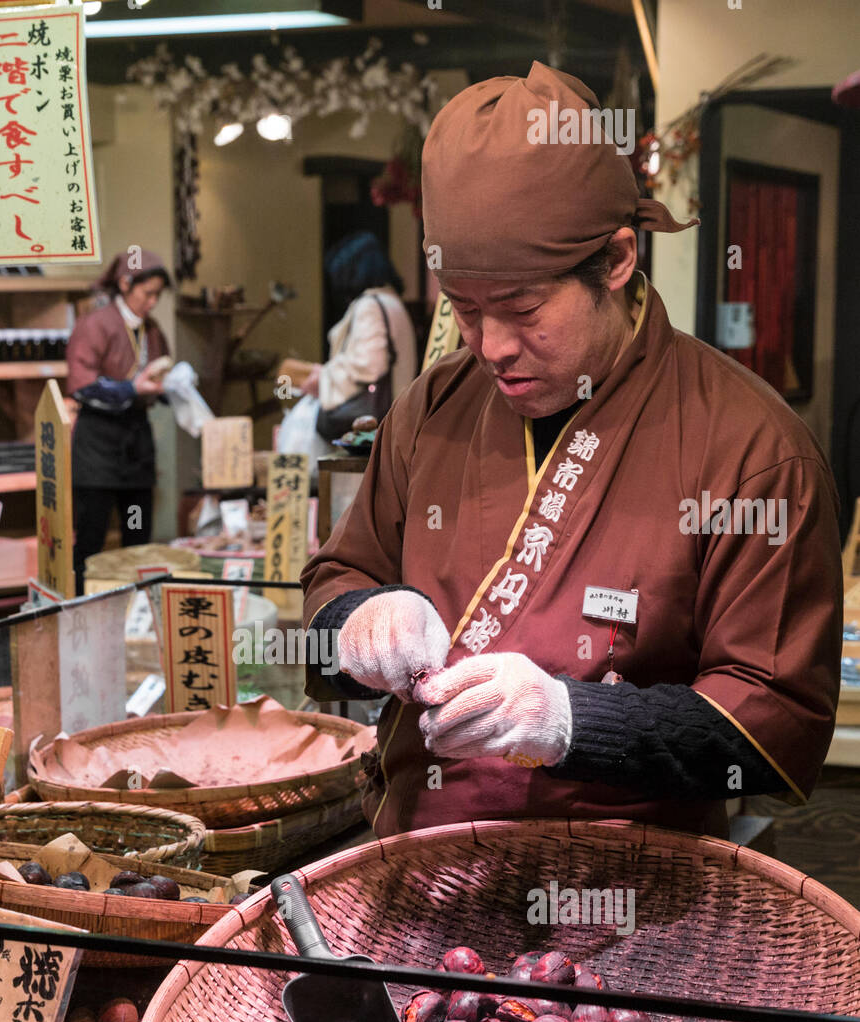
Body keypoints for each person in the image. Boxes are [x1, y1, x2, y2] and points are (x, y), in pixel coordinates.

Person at [301, 62, 842, 841]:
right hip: (415, 867)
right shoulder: (431, 407)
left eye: (521, 308)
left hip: (633, 899)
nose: (489, 347)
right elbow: (335, 578)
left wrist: (568, 721)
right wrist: (356, 619)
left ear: (617, 261)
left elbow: (777, 725)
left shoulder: (748, 446)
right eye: (464, 309)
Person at [66, 248, 171, 587]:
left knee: (137, 537)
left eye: (158, 295)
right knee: (91, 539)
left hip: (136, 442)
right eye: (148, 293)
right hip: (98, 444)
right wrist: (131, 388)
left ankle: (136, 612)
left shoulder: (152, 330)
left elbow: (159, 383)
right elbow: (82, 385)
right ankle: (83, 608)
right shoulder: (95, 324)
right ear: (125, 283)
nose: (153, 302)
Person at [302, 231, 417, 440]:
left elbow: (368, 364)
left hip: (373, 423)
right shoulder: (391, 301)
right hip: (397, 414)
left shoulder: (370, 306)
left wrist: (324, 377)